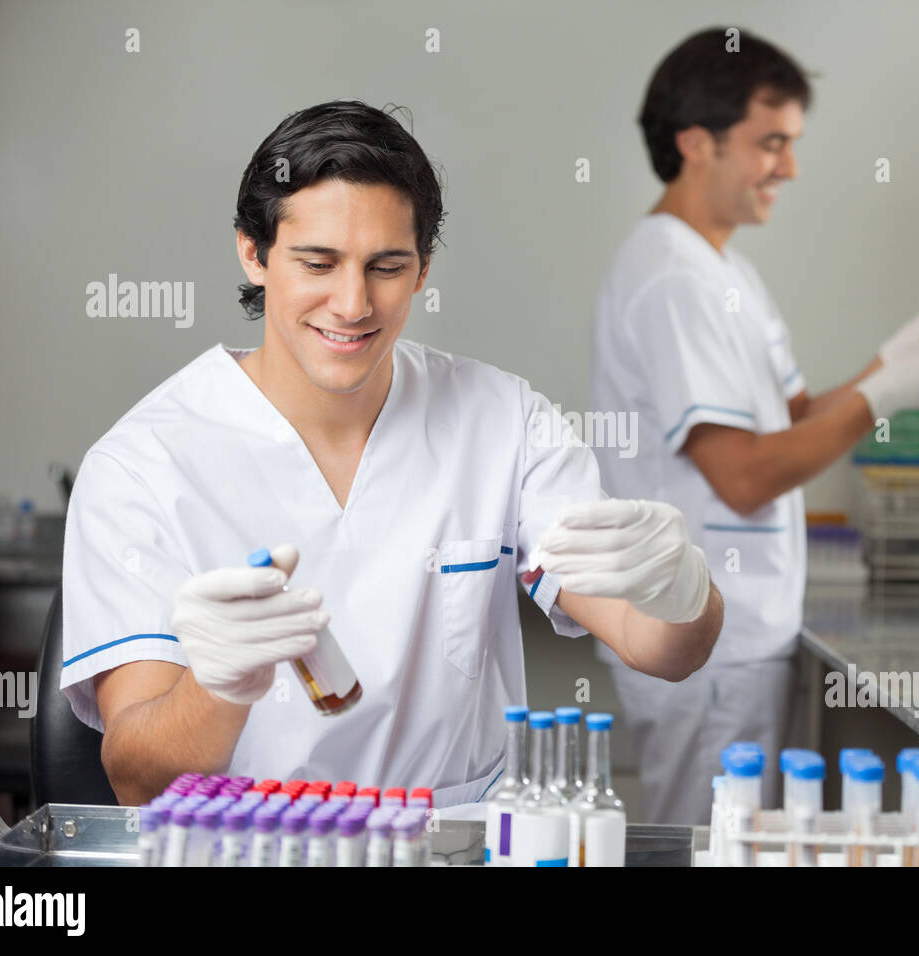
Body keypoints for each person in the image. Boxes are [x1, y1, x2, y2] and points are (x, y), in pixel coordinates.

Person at [60, 100, 723, 810]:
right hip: (251, 852)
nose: (352, 303)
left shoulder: (503, 422)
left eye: (386, 266)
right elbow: (137, 778)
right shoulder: (142, 464)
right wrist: (217, 685)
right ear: (253, 253)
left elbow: (659, 649)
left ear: (423, 270)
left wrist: (681, 591)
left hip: (457, 847)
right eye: (318, 262)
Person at [590, 29, 919, 824]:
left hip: (739, 635)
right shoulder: (674, 280)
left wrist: (894, 361)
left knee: (738, 838)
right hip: (707, 643)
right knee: (715, 844)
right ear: (696, 142)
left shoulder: (724, 270)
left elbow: (791, 421)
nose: (790, 168)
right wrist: (886, 395)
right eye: (772, 144)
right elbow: (742, 475)